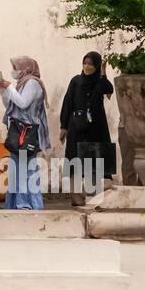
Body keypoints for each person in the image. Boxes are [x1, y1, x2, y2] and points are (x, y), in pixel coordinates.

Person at [59, 50, 116, 206]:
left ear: (96, 66)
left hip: (95, 127)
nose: (87, 66)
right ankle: (76, 197)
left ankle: (93, 196)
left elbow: (108, 89)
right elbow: (67, 102)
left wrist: (104, 72)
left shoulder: (99, 81)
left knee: (94, 162)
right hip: (76, 126)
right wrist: (64, 127)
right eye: (85, 63)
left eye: (91, 64)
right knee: (74, 162)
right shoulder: (76, 81)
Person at [0, 55, 50, 210]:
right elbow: (10, 104)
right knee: (16, 170)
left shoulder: (33, 83)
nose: (14, 71)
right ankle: (13, 203)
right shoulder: (22, 83)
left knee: (27, 169)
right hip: (18, 130)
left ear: (26, 68)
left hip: (27, 132)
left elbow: (22, 102)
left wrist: (10, 88)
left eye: (16, 68)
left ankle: (27, 204)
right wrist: (3, 90)